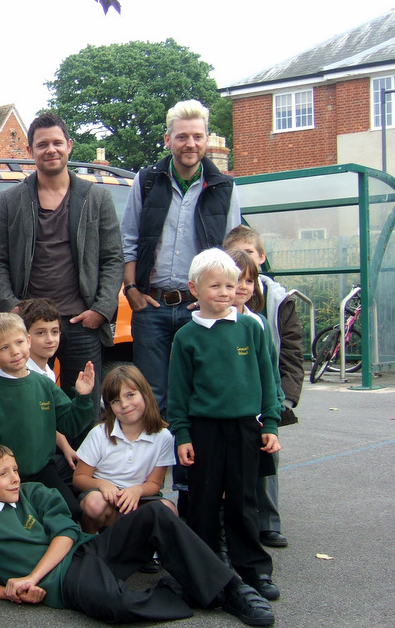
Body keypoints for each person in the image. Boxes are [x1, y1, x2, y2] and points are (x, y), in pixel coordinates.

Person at [0, 443, 276, 627]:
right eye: (3, 474)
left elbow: (67, 532)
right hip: (68, 582)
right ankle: (182, 588)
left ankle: (233, 589)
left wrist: (31, 578)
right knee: (115, 607)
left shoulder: (34, 492)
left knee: (155, 514)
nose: (14, 478)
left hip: (87, 551)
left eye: (15, 469)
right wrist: (12, 592)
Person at [0, 113, 123, 419]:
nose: (51, 149)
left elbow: (113, 258)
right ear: (30, 151)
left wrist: (101, 309)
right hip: (28, 327)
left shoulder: (96, 197)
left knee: (83, 410)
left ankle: (83, 468)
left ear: (70, 146)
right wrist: (12, 307)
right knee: (30, 411)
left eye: (57, 142)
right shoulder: (11, 200)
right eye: (42, 144)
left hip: (81, 324)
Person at [168, 248, 282, 602]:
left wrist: (271, 424)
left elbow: (268, 377)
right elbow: (178, 391)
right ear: (194, 288)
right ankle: (206, 568)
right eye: (214, 285)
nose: (224, 292)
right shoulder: (186, 337)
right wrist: (182, 434)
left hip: (246, 428)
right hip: (204, 430)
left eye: (230, 286)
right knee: (202, 500)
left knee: (243, 499)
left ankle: (253, 569)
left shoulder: (251, 327)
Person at [120, 99, 242, 414]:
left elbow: (230, 255)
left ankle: (194, 463)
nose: (190, 144)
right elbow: (129, 239)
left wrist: (216, 298)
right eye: (182, 136)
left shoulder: (224, 187)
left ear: (206, 139)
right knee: (152, 397)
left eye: (197, 137)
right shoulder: (147, 181)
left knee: (201, 391)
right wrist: (132, 290)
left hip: (199, 308)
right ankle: (159, 463)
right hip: (152, 307)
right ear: (168, 140)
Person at [0, 312, 93, 521]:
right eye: (4, 348)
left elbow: (70, 425)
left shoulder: (44, 384)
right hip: (5, 476)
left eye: (19, 343)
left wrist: (83, 398)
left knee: (72, 512)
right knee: (21, 525)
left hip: (43, 470)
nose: (15, 352)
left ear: (28, 341)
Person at [224, 225, 302, 549]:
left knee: (267, 459)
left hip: (267, 396)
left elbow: (290, 352)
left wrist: (285, 398)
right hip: (232, 399)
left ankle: (268, 522)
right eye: (236, 258)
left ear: (262, 258)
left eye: (251, 255)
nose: (245, 266)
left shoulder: (279, 301)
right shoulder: (217, 302)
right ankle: (229, 524)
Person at [73, 365, 177, 534]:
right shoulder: (99, 433)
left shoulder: (163, 436)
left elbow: (155, 483)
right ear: (109, 406)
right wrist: (102, 484)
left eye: (130, 395)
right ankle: (90, 545)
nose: (125, 405)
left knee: (168, 509)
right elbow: (79, 478)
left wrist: (137, 490)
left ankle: (153, 555)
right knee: (93, 503)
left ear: (145, 393)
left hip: (140, 499)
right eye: (116, 401)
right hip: (105, 499)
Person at [18, 298, 82, 494]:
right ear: (26, 338)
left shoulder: (47, 370)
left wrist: (66, 448)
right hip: (29, 464)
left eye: (55, 332)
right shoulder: (25, 374)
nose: (50, 339)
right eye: (40, 333)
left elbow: (51, 419)